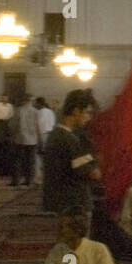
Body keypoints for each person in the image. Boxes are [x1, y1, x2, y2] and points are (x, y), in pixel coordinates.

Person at [41, 89, 100, 226]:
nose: (89, 117)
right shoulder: (70, 140)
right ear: (76, 111)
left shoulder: (55, 135)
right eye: (87, 112)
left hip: (61, 202)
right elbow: (93, 173)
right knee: (78, 246)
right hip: (75, 204)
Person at [11, 93, 39, 188]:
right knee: (30, 160)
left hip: (20, 138)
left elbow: (14, 125)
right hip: (32, 139)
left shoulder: (19, 110)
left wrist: (13, 135)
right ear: (31, 101)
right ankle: (29, 180)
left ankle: (16, 180)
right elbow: (38, 126)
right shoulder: (36, 111)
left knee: (17, 160)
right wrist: (39, 138)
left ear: (24, 100)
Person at [0, 92, 14, 176]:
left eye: (6, 98)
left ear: (8, 99)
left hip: (7, 123)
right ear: (1, 98)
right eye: (3, 98)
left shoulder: (10, 106)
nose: (5, 99)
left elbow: (12, 115)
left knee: (6, 141)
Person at [33, 96, 55, 185]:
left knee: (38, 158)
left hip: (42, 135)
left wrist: (39, 139)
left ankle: (39, 178)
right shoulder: (50, 112)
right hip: (50, 135)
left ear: (39, 103)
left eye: (36, 103)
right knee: (48, 158)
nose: (35, 105)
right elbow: (53, 124)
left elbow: (39, 126)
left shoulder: (39, 112)